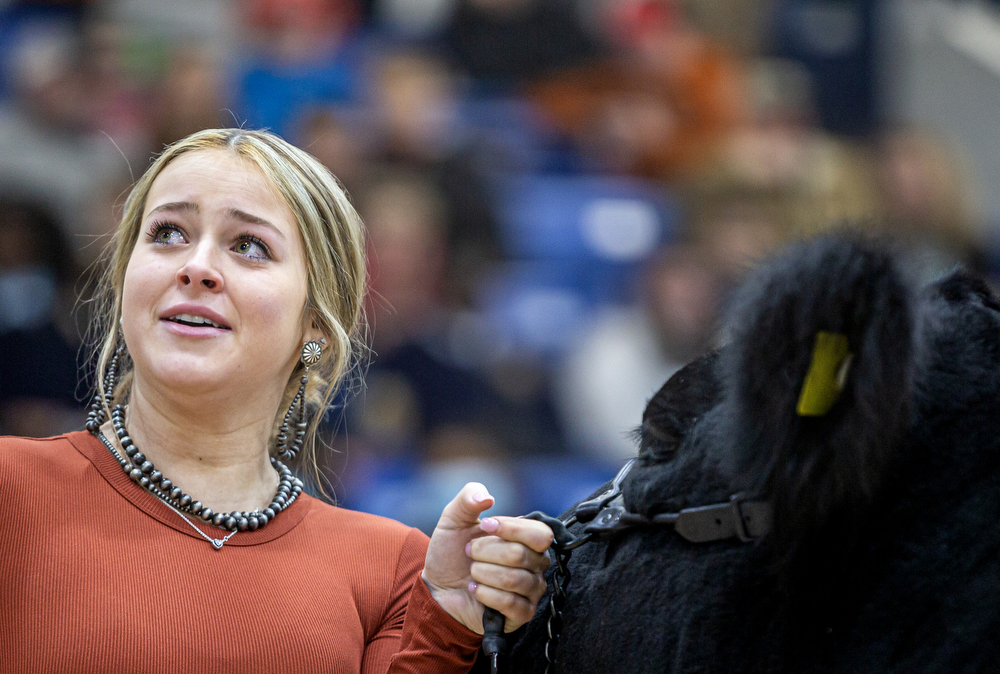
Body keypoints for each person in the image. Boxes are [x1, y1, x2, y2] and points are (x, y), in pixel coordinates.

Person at [0, 128, 552, 671]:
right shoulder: (12, 488)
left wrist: (450, 619)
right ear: (125, 286)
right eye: (168, 233)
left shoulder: (395, 570)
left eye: (249, 246)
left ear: (315, 331)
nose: (195, 266)